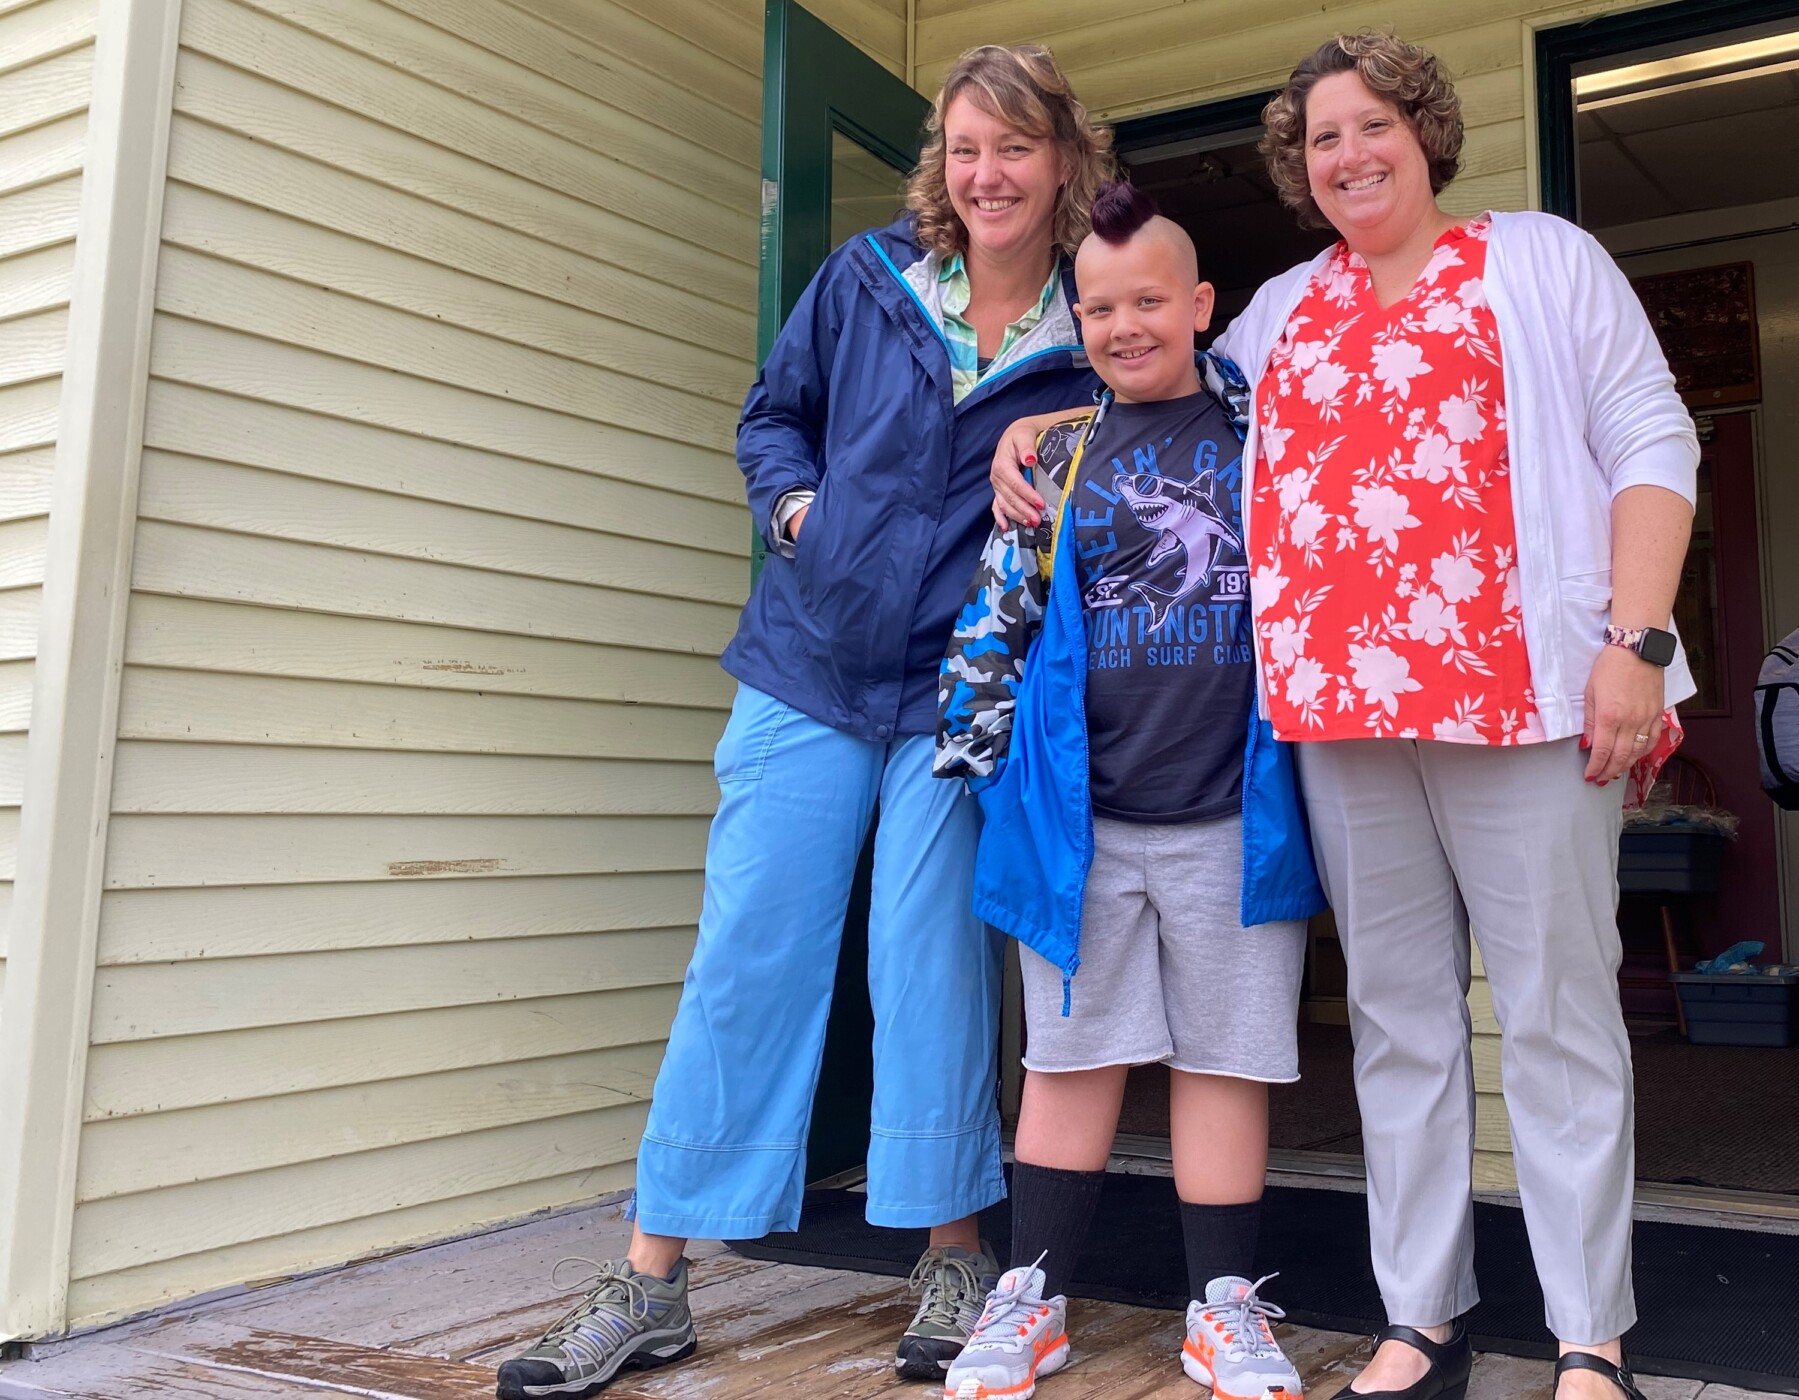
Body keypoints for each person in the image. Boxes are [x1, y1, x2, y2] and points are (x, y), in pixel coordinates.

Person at [986, 33, 1696, 1400]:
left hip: (1528, 707)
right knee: (1396, 1021)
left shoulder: (1538, 261)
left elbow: (1648, 440)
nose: (1346, 154)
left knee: (1551, 1017)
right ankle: (1420, 1321)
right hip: (1343, 727)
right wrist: (1038, 430)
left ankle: (1585, 1339)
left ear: (1421, 131)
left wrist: (1635, 642)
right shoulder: (1279, 312)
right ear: (1297, 169)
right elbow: (1153, 376)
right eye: (1318, 138)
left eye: (1368, 124)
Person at [492, 43, 1118, 1400]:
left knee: (931, 971)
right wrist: (794, 514)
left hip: (957, 697)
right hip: (806, 670)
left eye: (1011, 146)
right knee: (745, 961)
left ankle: (951, 1248)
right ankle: (651, 1279)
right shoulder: (867, 280)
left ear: (1063, 159)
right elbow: (770, 421)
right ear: (938, 165)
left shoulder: (1094, 324)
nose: (985, 172)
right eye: (963, 147)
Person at [935, 181, 1325, 1400]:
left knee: (1222, 1061)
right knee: (1069, 1061)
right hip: (1082, 828)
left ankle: (1222, 1308)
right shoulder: (1054, 449)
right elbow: (995, 614)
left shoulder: (1268, 431)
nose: (1121, 324)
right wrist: (972, 755)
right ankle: (1030, 1296)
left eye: (1147, 299)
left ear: (1201, 305)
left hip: (1233, 817)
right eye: (1096, 307)